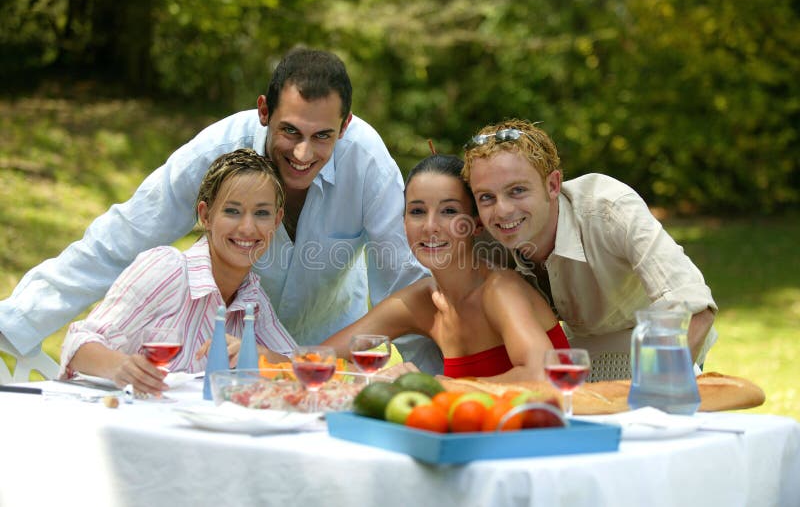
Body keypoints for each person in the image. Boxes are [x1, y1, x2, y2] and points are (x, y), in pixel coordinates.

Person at [0, 48, 437, 372]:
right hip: (219, 354)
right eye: (290, 132)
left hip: (323, 355)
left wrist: (440, 384)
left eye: (323, 136)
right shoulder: (219, 148)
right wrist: (12, 324)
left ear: (346, 125)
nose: (303, 153)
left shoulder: (368, 163)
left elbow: (405, 284)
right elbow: (122, 238)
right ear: (264, 111)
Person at [461, 118, 718, 381]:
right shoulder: (485, 242)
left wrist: (655, 391)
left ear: (553, 185)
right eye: (486, 197)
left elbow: (696, 309)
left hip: (663, 349)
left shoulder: (610, 209)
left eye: (517, 190)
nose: (502, 210)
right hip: (585, 358)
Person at [59, 149, 296, 395]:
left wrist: (261, 354)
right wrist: (122, 367)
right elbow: (78, 343)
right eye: (232, 211)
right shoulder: (167, 269)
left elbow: (300, 366)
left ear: (276, 220)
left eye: (261, 213)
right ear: (206, 216)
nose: (247, 228)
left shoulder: (252, 298)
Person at [323, 154, 569, 382]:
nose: (430, 226)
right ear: (404, 222)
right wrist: (375, 376)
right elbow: (317, 359)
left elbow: (543, 376)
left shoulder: (500, 289)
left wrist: (440, 386)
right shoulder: (422, 301)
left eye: (449, 211)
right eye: (417, 211)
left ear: (476, 224)